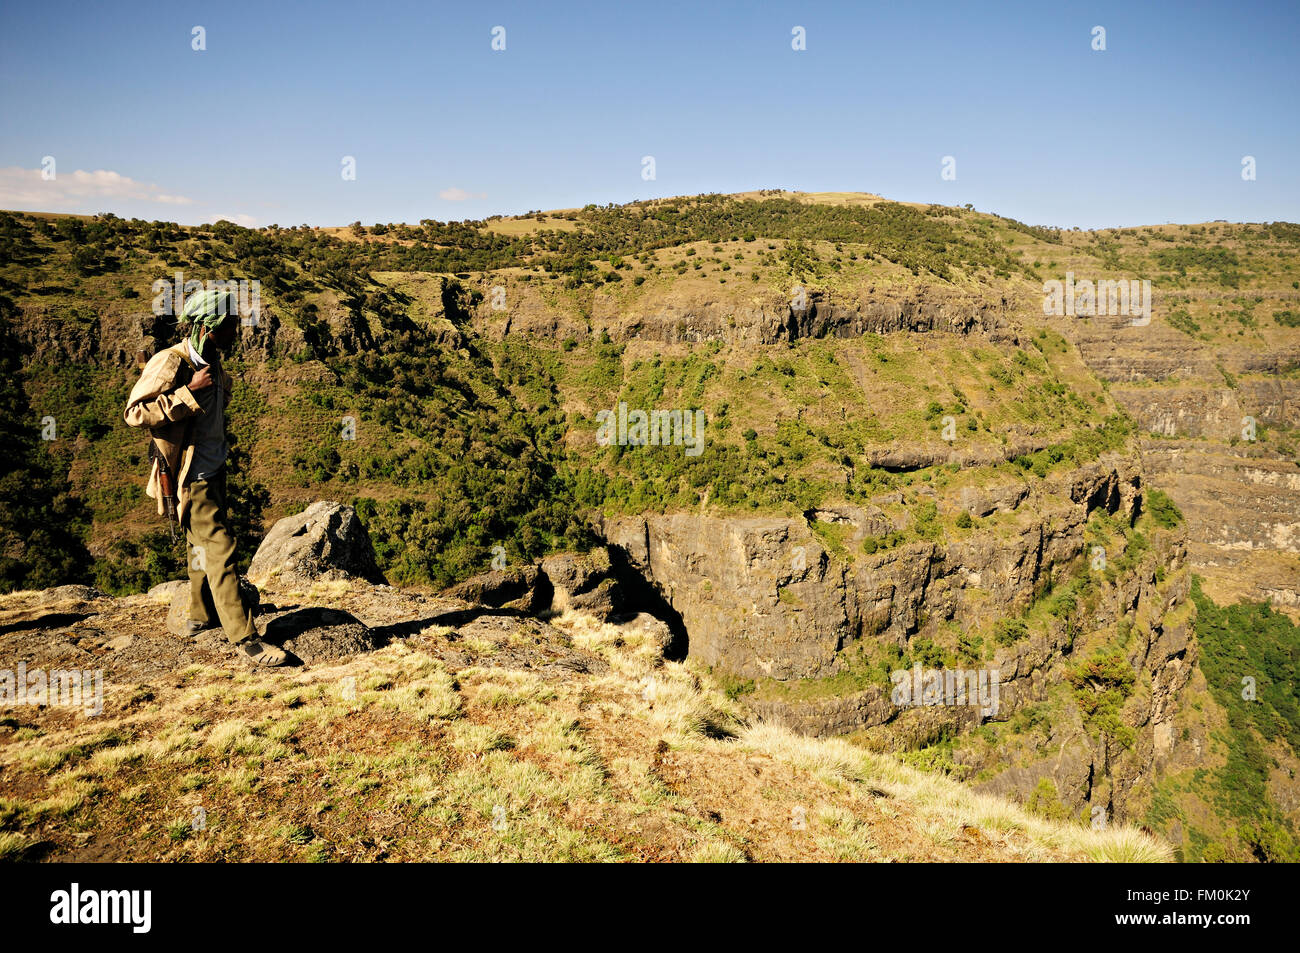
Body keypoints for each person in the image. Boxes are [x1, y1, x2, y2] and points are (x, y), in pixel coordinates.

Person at [124, 289, 286, 666]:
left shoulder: (211, 357)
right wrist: (187, 393)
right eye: (230, 324)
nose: (236, 331)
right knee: (220, 547)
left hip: (214, 467)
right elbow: (135, 412)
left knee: (199, 545)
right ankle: (245, 639)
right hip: (191, 475)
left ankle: (199, 615)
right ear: (209, 326)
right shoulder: (172, 363)